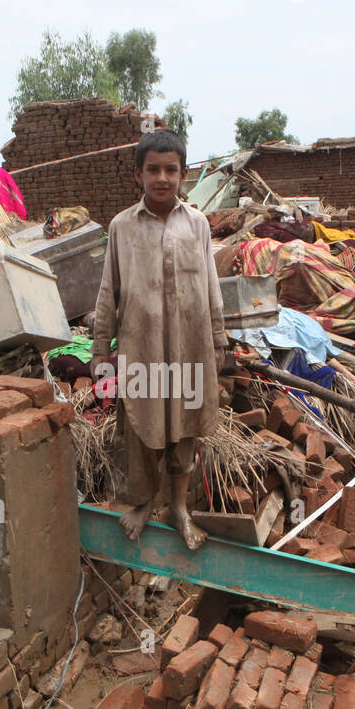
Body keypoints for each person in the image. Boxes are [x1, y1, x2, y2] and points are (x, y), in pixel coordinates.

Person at [90, 130, 227, 551]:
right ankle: (146, 503)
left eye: (171, 170)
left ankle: (179, 507)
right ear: (138, 175)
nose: (162, 178)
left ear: (185, 174)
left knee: (184, 428)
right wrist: (101, 349)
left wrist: (219, 339)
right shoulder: (121, 227)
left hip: (189, 346)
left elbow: (211, 284)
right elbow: (108, 291)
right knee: (141, 427)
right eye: (153, 170)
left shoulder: (198, 224)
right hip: (142, 346)